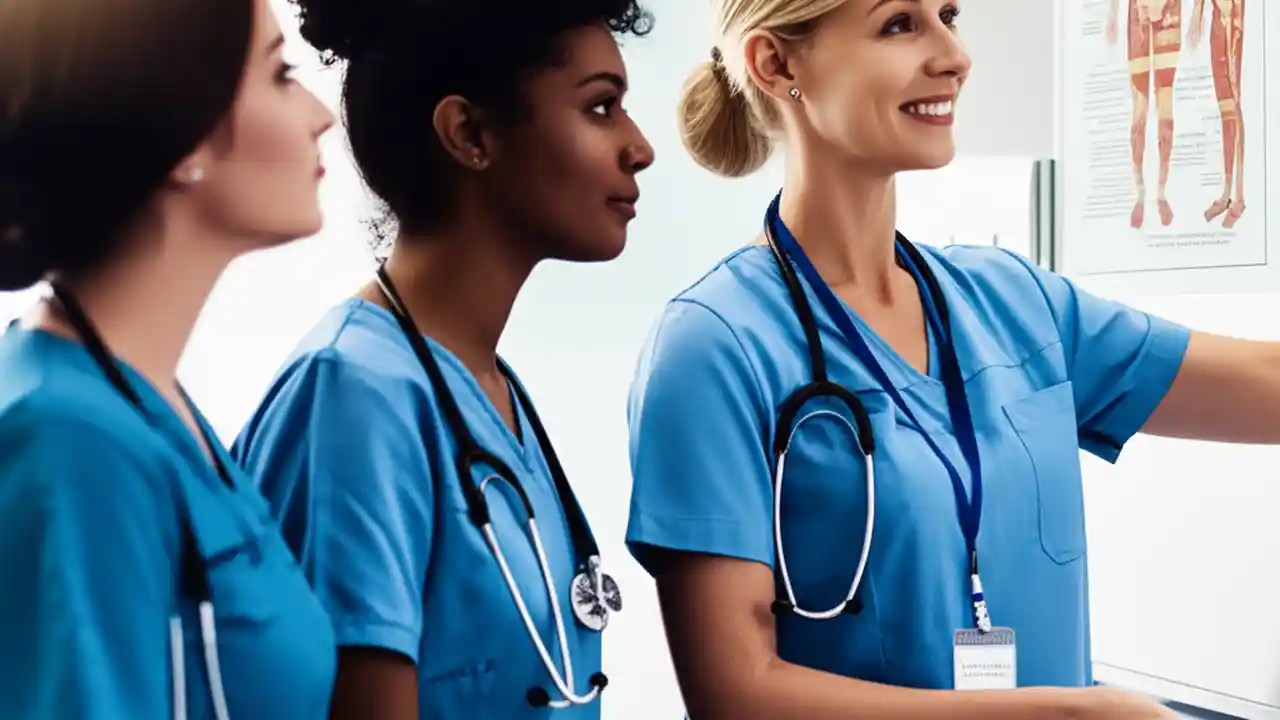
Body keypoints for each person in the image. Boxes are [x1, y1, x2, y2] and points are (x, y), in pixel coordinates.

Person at [625, 0, 1280, 718]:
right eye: (899, 25)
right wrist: (1069, 715)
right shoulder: (714, 345)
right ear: (776, 63)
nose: (954, 56)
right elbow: (737, 695)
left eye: (948, 14)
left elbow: (1264, 383)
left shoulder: (1011, 301)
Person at [231, 1, 654, 717]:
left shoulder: (490, 392)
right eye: (601, 107)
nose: (639, 147)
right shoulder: (354, 394)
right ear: (469, 134)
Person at [0, 0, 336, 717]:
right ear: (183, 130)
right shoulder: (70, 442)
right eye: (280, 74)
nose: (320, 114)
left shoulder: (155, 413)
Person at [1107, 0, 1182, 229]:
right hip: (1138, 13)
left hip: (1168, 12)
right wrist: (1113, 13)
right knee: (1139, 107)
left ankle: (1160, 192)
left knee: (1164, 105)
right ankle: (1140, 192)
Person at [1189, 0, 1247, 227]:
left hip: (1233, 18)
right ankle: (1226, 193)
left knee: (1235, 102)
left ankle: (1238, 196)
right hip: (1217, 20)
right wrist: (1198, 9)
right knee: (1225, 107)